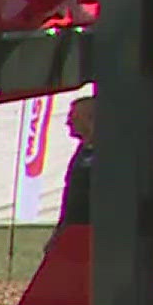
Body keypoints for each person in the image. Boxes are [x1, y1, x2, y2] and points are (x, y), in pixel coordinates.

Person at [53, 94, 94, 239]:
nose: (68, 122)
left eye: (74, 117)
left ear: (90, 119)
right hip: (73, 231)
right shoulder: (82, 151)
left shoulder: (111, 154)